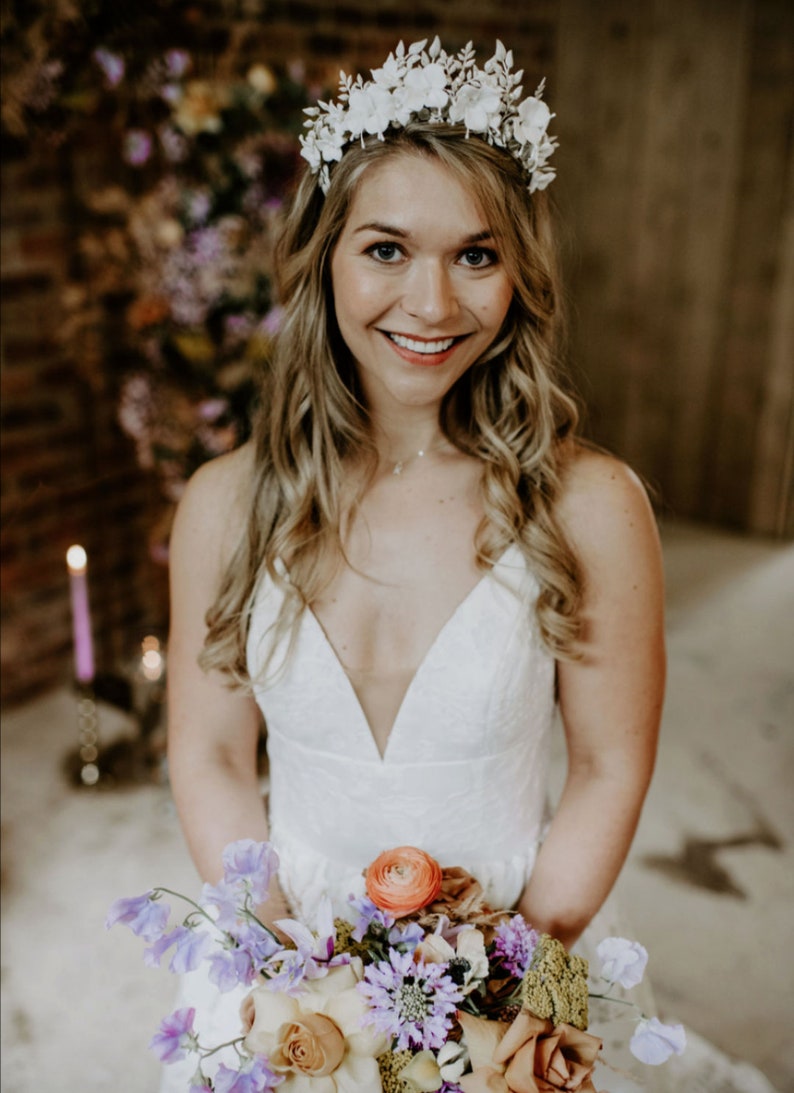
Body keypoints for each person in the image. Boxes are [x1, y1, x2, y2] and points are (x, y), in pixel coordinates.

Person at [164, 38, 666, 1092]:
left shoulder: (592, 507)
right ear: (322, 258)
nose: (431, 306)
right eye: (386, 249)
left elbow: (607, 769)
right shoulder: (224, 503)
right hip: (284, 953)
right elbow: (210, 754)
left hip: (531, 945)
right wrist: (286, 970)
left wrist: (502, 998)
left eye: (475, 255)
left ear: (518, 272)